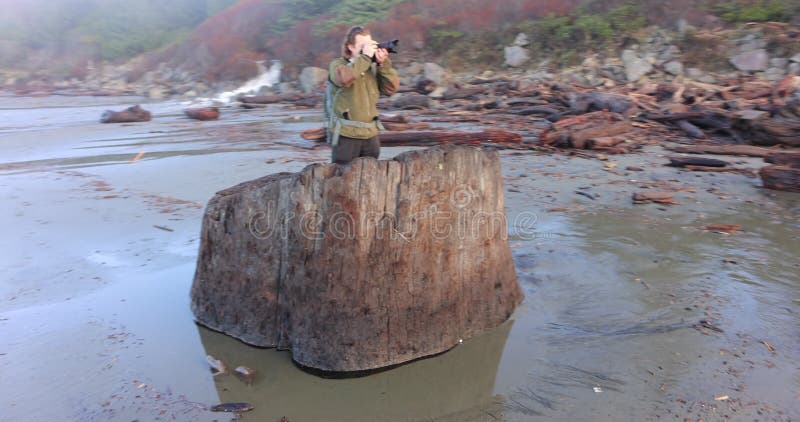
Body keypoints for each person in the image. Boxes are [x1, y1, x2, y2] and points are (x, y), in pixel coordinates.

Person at [327, 25, 399, 164]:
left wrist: (383, 64)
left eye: (370, 45)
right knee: (343, 180)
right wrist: (365, 57)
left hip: (371, 136)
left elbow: (391, 89)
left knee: (369, 179)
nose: (368, 49)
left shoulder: (371, 68)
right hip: (346, 136)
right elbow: (343, 78)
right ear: (350, 47)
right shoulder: (337, 65)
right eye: (363, 46)